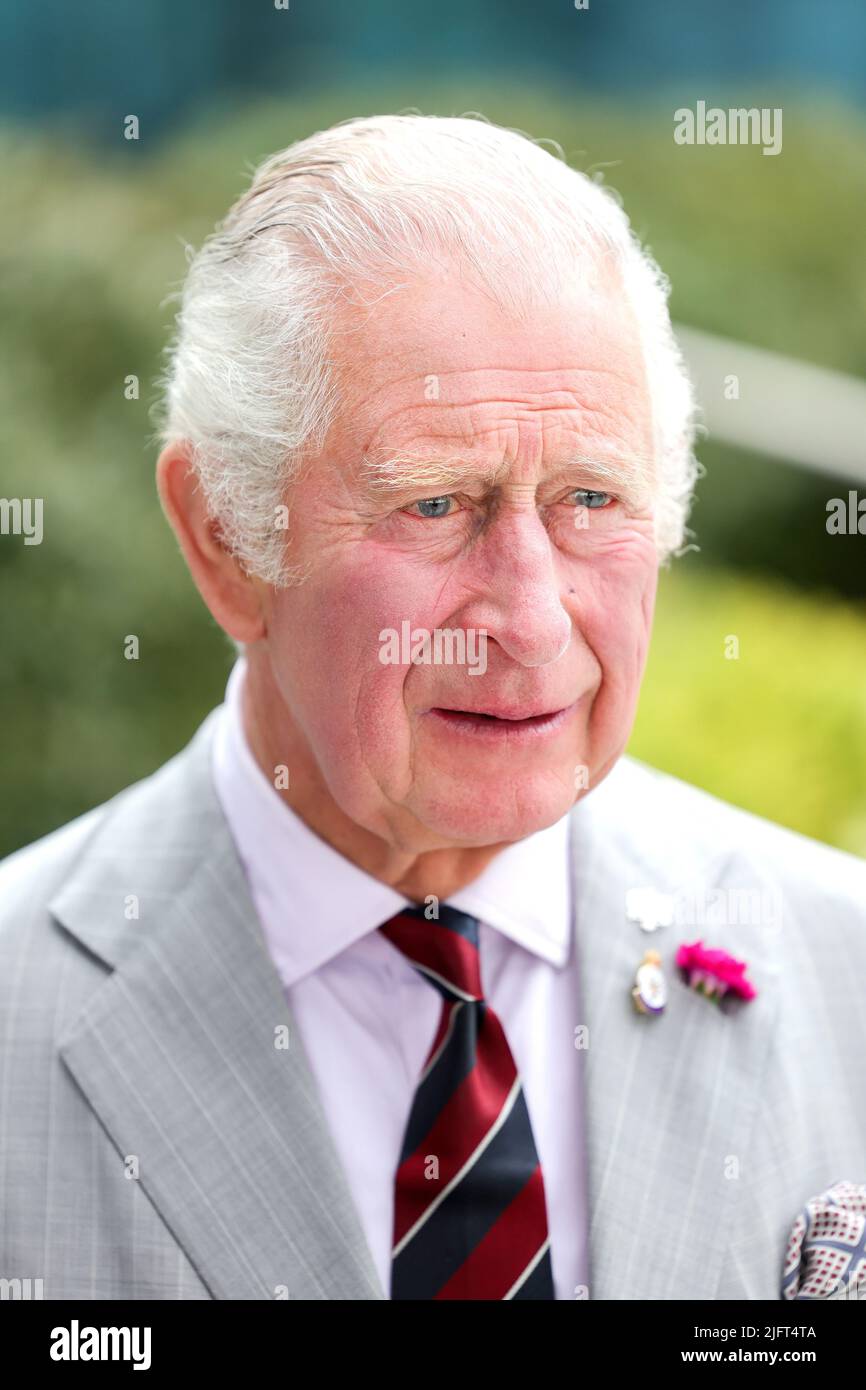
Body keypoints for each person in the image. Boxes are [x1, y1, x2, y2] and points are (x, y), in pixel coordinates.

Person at [2, 113, 865, 1301]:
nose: (529, 617)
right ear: (223, 540)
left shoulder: (844, 963)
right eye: (433, 504)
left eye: (592, 496)